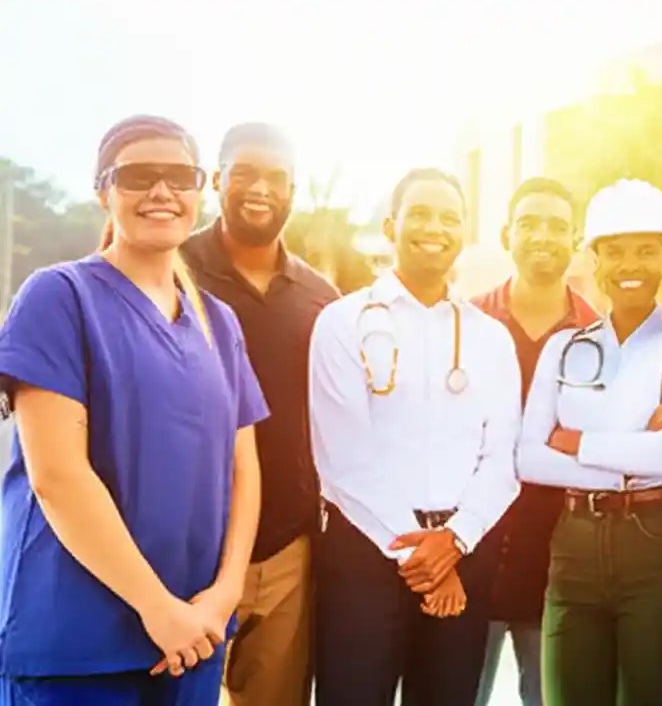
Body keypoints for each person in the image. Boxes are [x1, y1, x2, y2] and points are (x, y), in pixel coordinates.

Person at [0, 115, 267, 704]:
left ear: (203, 191)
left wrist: (222, 600)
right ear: (104, 191)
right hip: (78, 644)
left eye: (180, 176)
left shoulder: (218, 322)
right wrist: (156, 607)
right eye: (138, 176)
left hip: (191, 642)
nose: (162, 192)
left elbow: (244, 469)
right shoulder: (58, 297)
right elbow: (57, 478)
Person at [308, 167, 522, 706]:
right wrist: (423, 563)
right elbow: (343, 459)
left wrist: (453, 542)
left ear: (464, 233)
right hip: (364, 556)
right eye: (420, 214)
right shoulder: (343, 322)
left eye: (450, 217)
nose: (435, 227)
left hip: (462, 550)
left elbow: (502, 460)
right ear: (390, 226)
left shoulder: (490, 338)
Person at [517, 178, 662, 705]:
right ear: (596, 261)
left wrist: (573, 439)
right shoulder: (563, 348)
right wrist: (631, 453)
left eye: (647, 251)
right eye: (615, 252)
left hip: (657, 551)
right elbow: (528, 458)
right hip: (574, 552)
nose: (631, 266)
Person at [181, 122, 340, 706]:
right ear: (218, 180)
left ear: (294, 191)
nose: (259, 189)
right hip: (182, 544)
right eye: (244, 173)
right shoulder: (171, 270)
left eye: (276, 178)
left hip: (283, 550)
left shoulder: (322, 298)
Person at [472, 177, 597, 706]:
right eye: (529, 223)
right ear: (506, 234)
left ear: (576, 239)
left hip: (561, 562)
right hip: (472, 553)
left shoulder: (600, 333)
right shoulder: (467, 322)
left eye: (556, 226)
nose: (542, 236)